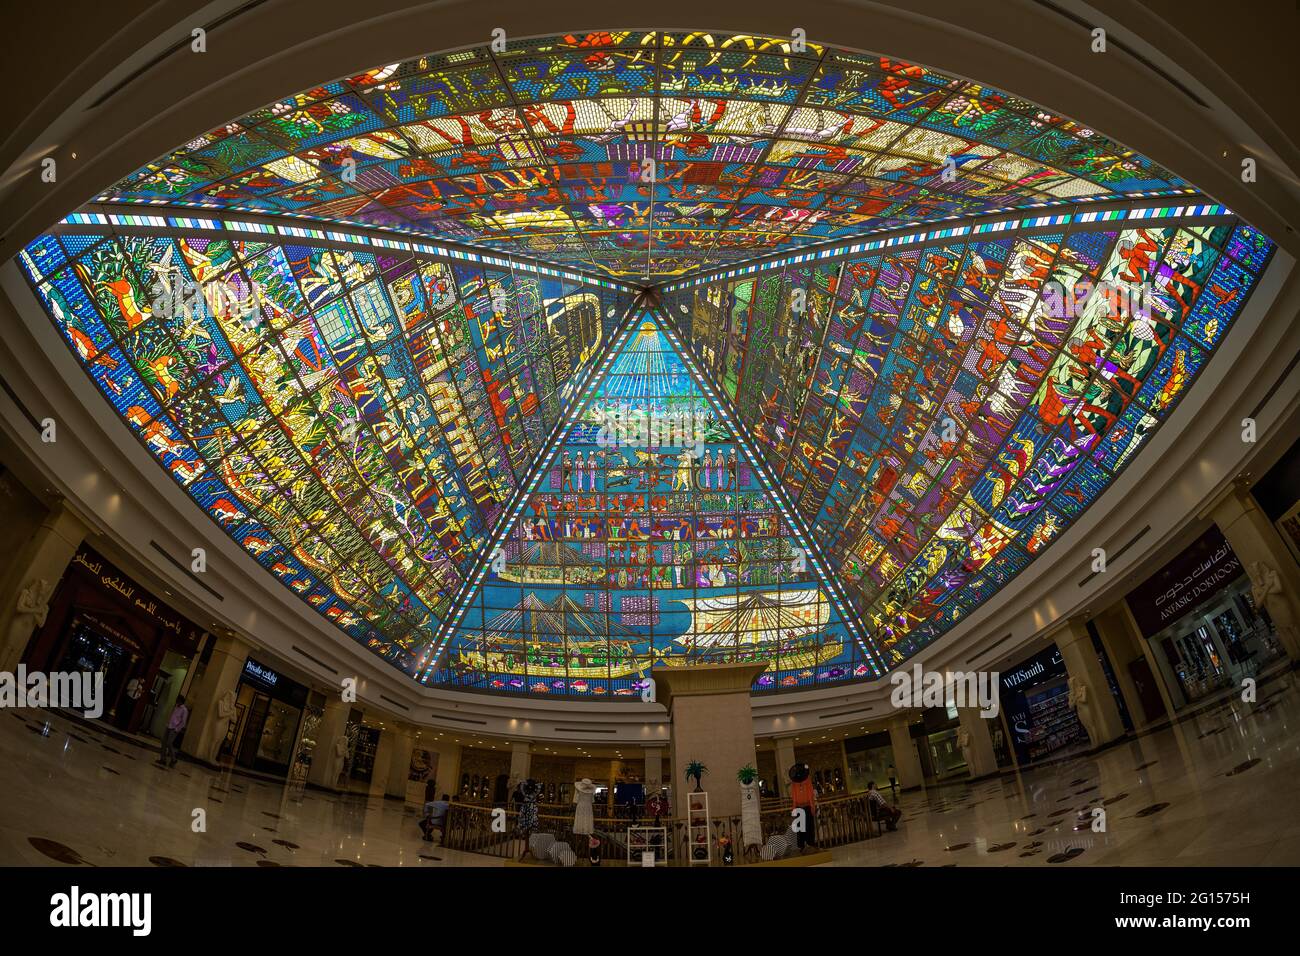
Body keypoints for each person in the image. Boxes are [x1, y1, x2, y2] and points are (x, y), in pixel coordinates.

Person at [156, 695, 189, 769]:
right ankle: (163, 759)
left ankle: (173, 759)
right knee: (163, 742)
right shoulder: (176, 707)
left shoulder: (184, 710)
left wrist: (177, 729)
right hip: (169, 726)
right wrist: (168, 723)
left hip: (174, 728)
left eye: (178, 700)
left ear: (181, 701)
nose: (176, 701)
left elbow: (183, 722)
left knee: (169, 743)